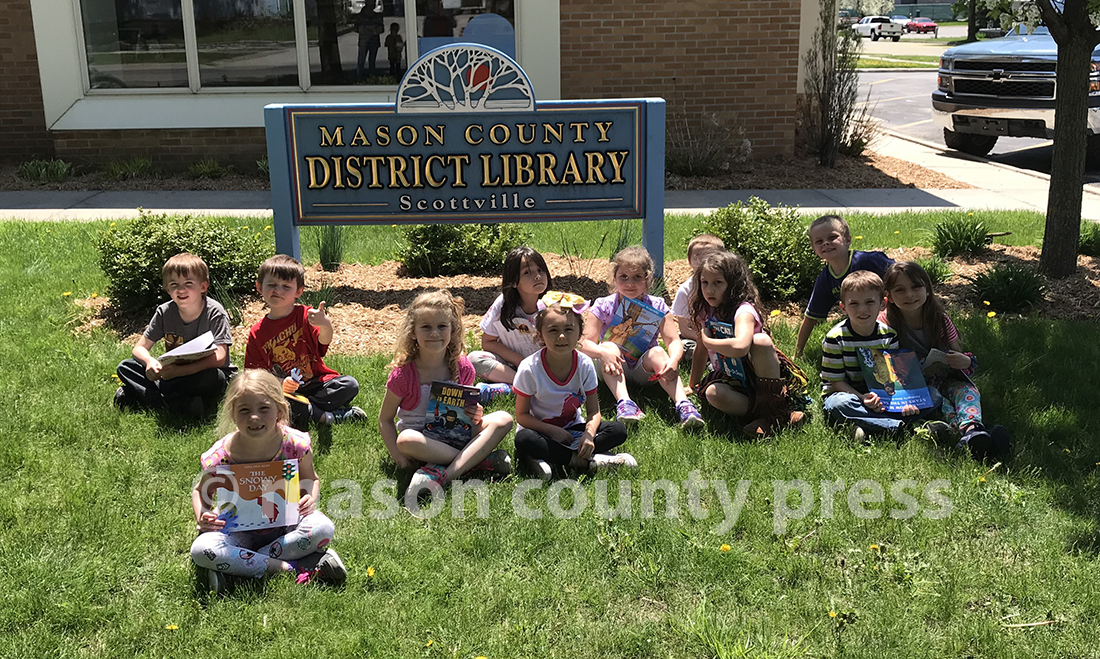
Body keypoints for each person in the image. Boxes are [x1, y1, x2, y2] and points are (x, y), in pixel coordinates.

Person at [190, 370, 346, 596]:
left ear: (279, 411)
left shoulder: (294, 444)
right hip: (237, 531)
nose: (254, 417)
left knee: (323, 528)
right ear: (233, 415)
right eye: (244, 410)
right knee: (202, 550)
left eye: (264, 408)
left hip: (286, 526)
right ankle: (294, 566)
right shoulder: (221, 455)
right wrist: (203, 515)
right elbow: (200, 490)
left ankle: (238, 567)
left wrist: (310, 497)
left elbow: (311, 478)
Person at [378, 290, 514, 505]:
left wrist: (476, 413)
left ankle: (446, 474)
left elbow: (470, 412)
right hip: (423, 441)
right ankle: (476, 459)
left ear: (453, 329)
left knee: (504, 419)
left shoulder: (462, 367)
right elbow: (385, 419)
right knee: (405, 439)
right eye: (426, 327)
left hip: (456, 433)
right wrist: (399, 458)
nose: (435, 333)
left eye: (442, 326)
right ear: (413, 331)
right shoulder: (404, 375)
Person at [883, 261, 1010, 460]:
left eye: (916, 287)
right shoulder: (885, 323)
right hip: (912, 389)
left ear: (927, 289)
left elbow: (959, 356)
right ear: (889, 296)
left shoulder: (939, 319)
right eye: (900, 290)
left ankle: (972, 431)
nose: (909, 295)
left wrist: (965, 362)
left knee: (967, 391)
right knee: (941, 402)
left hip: (945, 378)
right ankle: (977, 436)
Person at [580, 245, 704, 429]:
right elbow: (583, 343)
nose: (630, 283)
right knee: (609, 346)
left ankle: (684, 406)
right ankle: (625, 404)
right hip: (609, 366)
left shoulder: (657, 305)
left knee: (658, 352)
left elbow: (672, 340)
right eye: (624, 277)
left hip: (642, 368)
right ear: (615, 278)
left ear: (647, 279)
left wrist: (675, 360)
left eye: (637, 277)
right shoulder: (603, 305)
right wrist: (602, 353)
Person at [686, 251, 807, 436]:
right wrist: (692, 383)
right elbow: (700, 351)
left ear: (733, 285)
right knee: (713, 393)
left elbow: (740, 347)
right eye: (705, 282)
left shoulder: (744, 311)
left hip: (761, 376)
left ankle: (773, 413)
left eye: (718, 283)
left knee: (760, 341)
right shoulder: (707, 310)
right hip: (731, 376)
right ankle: (774, 416)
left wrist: (709, 340)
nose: (709, 290)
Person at [513, 303, 633, 480]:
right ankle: (582, 461)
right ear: (540, 335)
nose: (561, 336)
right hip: (540, 431)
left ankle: (553, 458)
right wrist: (552, 431)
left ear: (579, 333)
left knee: (618, 430)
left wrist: (589, 435)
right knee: (524, 440)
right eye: (553, 330)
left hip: (573, 429)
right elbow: (522, 416)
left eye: (569, 329)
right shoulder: (529, 368)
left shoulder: (584, 364)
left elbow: (594, 412)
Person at [244, 255, 366, 428]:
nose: (278, 290)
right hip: (284, 390)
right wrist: (280, 383)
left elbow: (324, 341)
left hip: (316, 383)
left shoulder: (306, 315)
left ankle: (305, 410)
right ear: (259, 287)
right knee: (271, 399)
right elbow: (254, 375)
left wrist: (325, 324)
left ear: (299, 291)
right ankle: (326, 417)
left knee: (349, 385)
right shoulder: (257, 333)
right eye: (271, 285)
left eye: (286, 286)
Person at [114, 252, 236, 417]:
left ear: (203, 286)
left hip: (205, 373)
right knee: (126, 367)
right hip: (171, 374)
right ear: (167, 288)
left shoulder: (215, 312)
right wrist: (150, 361)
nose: (181, 289)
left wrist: (180, 372)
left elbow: (220, 357)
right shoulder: (164, 312)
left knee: (211, 377)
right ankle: (182, 404)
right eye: (174, 284)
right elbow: (139, 349)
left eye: (188, 283)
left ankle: (147, 396)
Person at [821, 271, 938, 438]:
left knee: (933, 395)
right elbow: (836, 382)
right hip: (849, 393)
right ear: (843, 308)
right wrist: (862, 398)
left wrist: (905, 402)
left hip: (883, 393)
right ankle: (902, 427)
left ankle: (869, 424)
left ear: (883, 304)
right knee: (837, 405)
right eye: (854, 304)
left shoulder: (889, 335)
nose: (862, 309)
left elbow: (893, 376)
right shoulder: (835, 338)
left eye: (870, 302)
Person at [795, 215, 895, 357]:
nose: (826, 243)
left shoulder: (869, 261)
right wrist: (798, 354)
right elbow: (810, 317)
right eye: (819, 241)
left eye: (832, 238)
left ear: (848, 239)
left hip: (892, 312)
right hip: (865, 318)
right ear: (814, 249)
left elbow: (903, 275)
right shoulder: (825, 279)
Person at [468, 246, 551, 391]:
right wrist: (519, 361)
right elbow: (488, 342)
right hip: (512, 365)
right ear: (514, 282)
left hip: (544, 364)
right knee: (474, 359)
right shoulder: (503, 305)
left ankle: (508, 390)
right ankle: (521, 386)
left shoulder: (552, 305)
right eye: (527, 272)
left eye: (540, 270)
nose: (537, 276)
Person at [670, 234, 725, 360]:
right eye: (698, 257)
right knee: (683, 347)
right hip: (695, 338)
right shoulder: (686, 291)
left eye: (710, 256)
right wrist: (707, 340)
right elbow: (684, 329)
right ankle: (710, 360)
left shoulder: (726, 287)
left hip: (724, 338)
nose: (703, 261)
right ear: (689, 260)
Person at [355, 2, 384, 81]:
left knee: (372, 60)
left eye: (374, 2)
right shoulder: (360, 16)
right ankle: (359, 77)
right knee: (361, 59)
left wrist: (371, 29)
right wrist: (370, 29)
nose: (373, 3)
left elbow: (381, 29)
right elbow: (356, 28)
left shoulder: (377, 16)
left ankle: (372, 77)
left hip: (374, 40)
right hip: (364, 40)